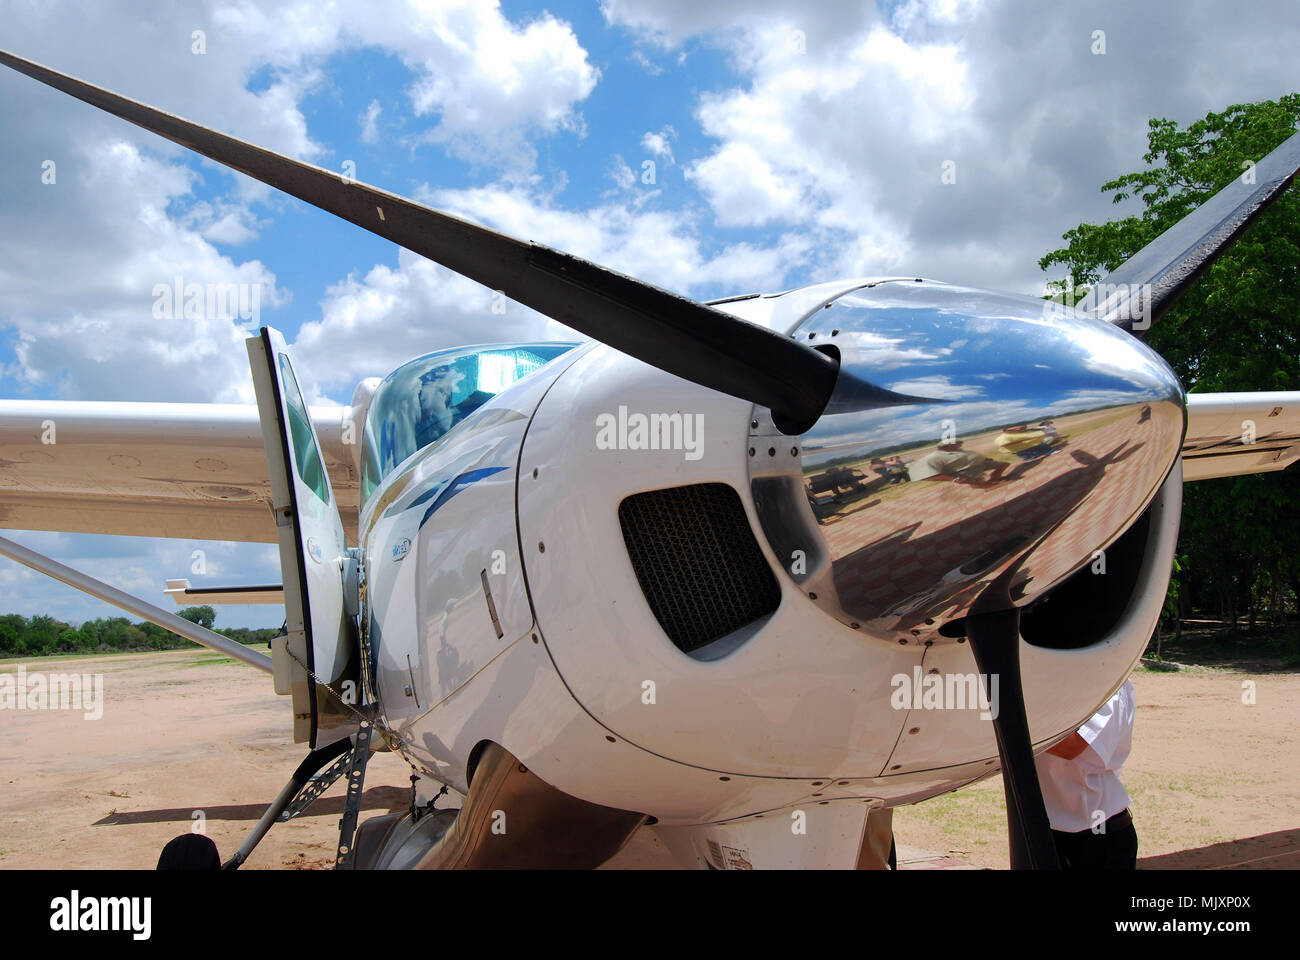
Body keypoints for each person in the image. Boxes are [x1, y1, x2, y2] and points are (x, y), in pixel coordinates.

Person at [1035, 678, 1138, 870]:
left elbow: (1072, 746)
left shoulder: (1110, 680)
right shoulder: (1044, 679)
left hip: (1098, 831)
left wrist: (1008, 715)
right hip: (1047, 827)